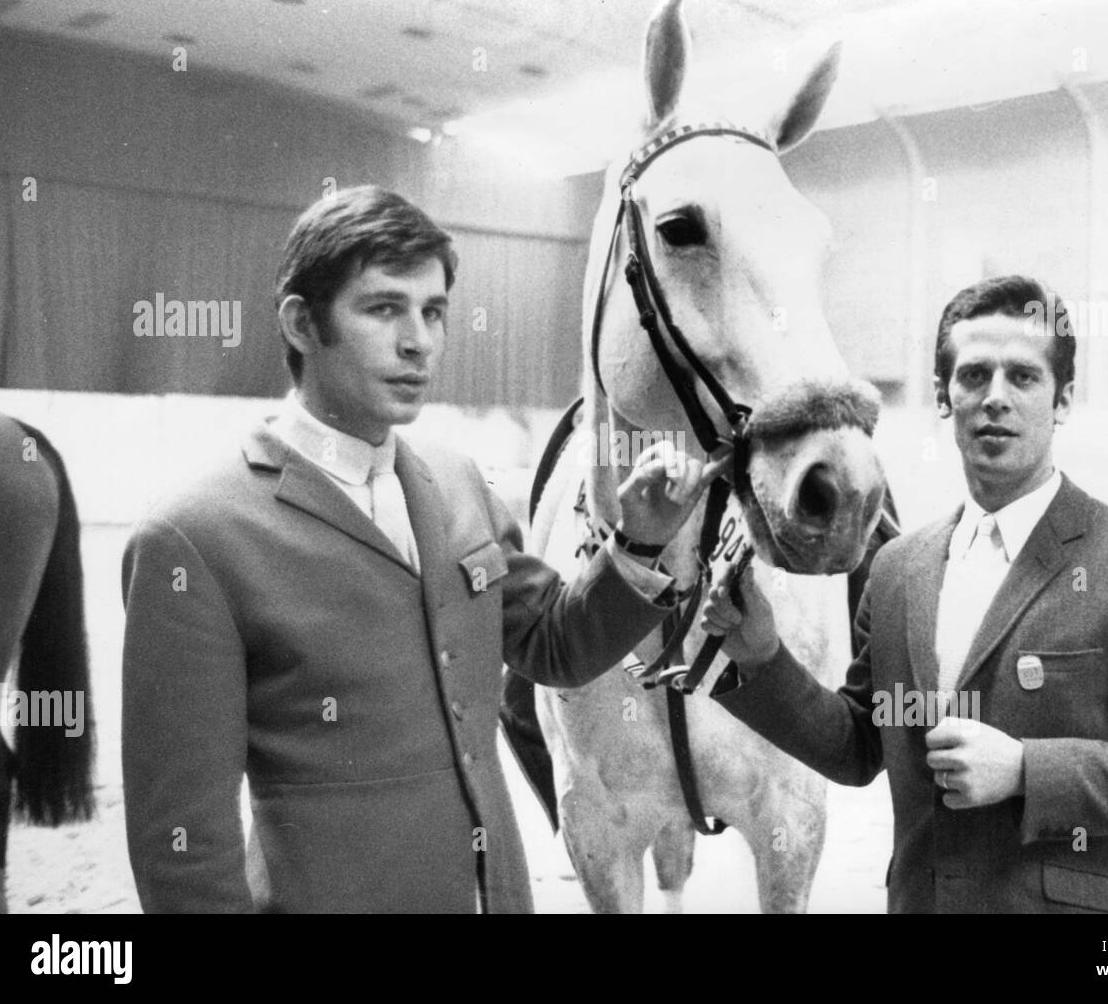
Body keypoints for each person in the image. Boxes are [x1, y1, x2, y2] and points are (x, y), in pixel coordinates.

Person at [121, 186, 724, 914]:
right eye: (384, 309)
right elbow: (183, 845)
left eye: (433, 312)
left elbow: (552, 646)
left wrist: (637, 544)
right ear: (302, 324)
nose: (421, 341)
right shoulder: (196, 540)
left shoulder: (457, 481)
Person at [701, 275, 1108, 913]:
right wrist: (761, 655)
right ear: (943, 397)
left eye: (1025, 378)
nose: (996, 399)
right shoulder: (897, 569)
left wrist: (1025, 771)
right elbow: (862, 743)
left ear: (1063, 400)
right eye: (975, 376)